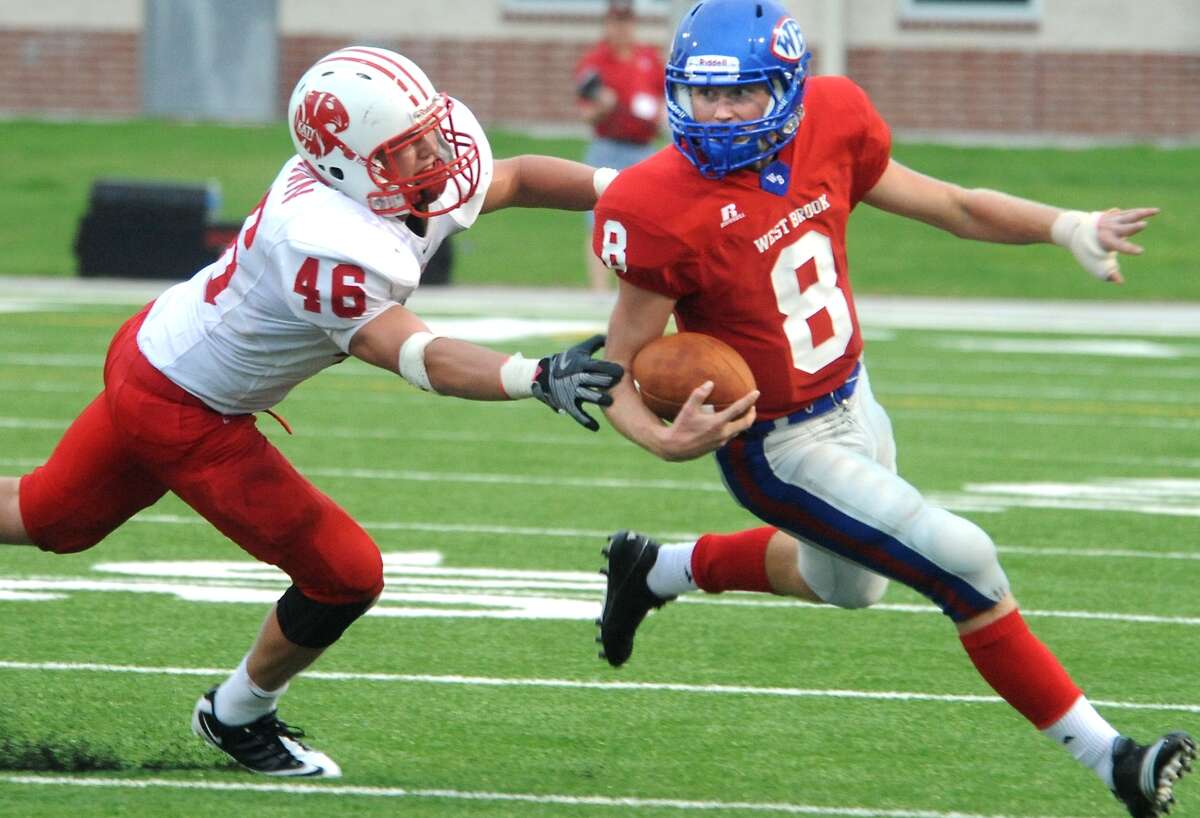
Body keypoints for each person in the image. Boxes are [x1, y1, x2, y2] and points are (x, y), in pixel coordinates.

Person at [588, 2, 1194, 816]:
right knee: (965, 559)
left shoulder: (833, 120)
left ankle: (654, 568)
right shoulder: (656, 201)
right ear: (678, 92)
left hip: (853, 393)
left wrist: (1066, 225)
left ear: (792, 88)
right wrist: (663, 443)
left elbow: (953, 205)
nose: (722, 113)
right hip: (776, 444)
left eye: (746, 95)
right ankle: (1114, 757)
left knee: (846, 587)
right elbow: (616, 368)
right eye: (706, 94)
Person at [0, 46, 624, 779]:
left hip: (159, 348)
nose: (435, 152)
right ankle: (236, 715)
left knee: (50, 518)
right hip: (184, 408)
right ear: (348, 167)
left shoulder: (391, 171)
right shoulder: (327, 241)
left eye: (428, 131)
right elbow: (415, 355)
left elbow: (514, 178)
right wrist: (536, 374)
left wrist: (631, 189)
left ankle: (235, 713)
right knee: (346, 572)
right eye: (406, 148)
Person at [574, 0, 665, 292]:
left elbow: (666, 99)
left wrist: (659, 115)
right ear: (608, 25)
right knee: (598, 215)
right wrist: (604, 106)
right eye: (616, 23)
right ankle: (599, 290)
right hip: (608, 146)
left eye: (626, 23)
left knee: (645, 219)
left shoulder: (649, 58)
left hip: (641, 148)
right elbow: (587, 111)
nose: (622, 29)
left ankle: (638, 287)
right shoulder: (596, 61)